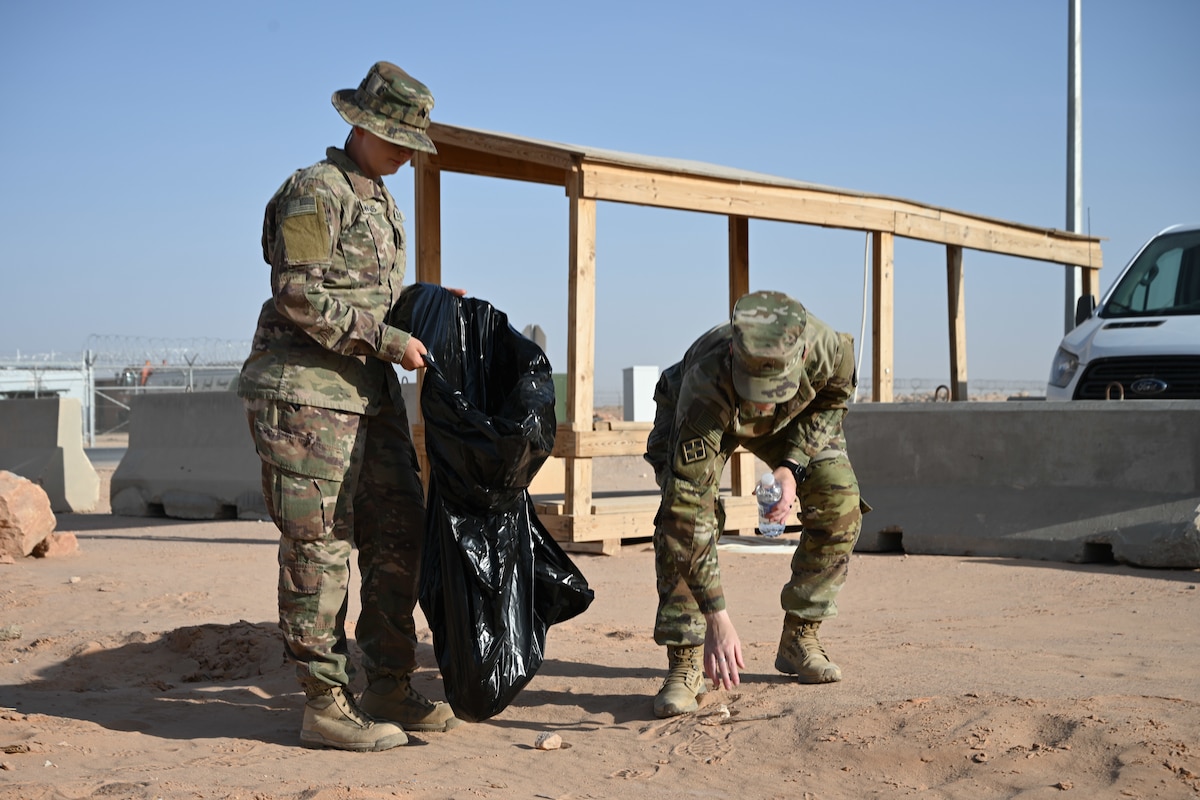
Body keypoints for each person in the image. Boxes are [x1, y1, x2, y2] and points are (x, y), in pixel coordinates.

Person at [237, 61, 460, 751]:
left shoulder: (382, 201)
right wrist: (387, 338)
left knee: (399, 535)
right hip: (305, 396)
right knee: (320, 548)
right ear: (359, 125)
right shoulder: (316, 191)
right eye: (394, 137)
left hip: (369, 396)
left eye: (410, 142)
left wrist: (424, 307)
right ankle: (324, 703)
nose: (402, 152)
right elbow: (296, 294)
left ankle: (388, 682)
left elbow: (366, 294)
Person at [644, 290, 866, 718]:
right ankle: (685, 662)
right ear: (732, 352)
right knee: (688, 520)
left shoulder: (831, 351)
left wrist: (792, 467)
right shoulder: (705, 383)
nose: (762, 400)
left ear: (802, 355)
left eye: (773, 386)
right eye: (756, 387)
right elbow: (685, 515)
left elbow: (834, 401)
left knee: (840, 500)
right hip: (708, 414)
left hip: (792, 423)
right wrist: (717, 618)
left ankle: (800, 637)